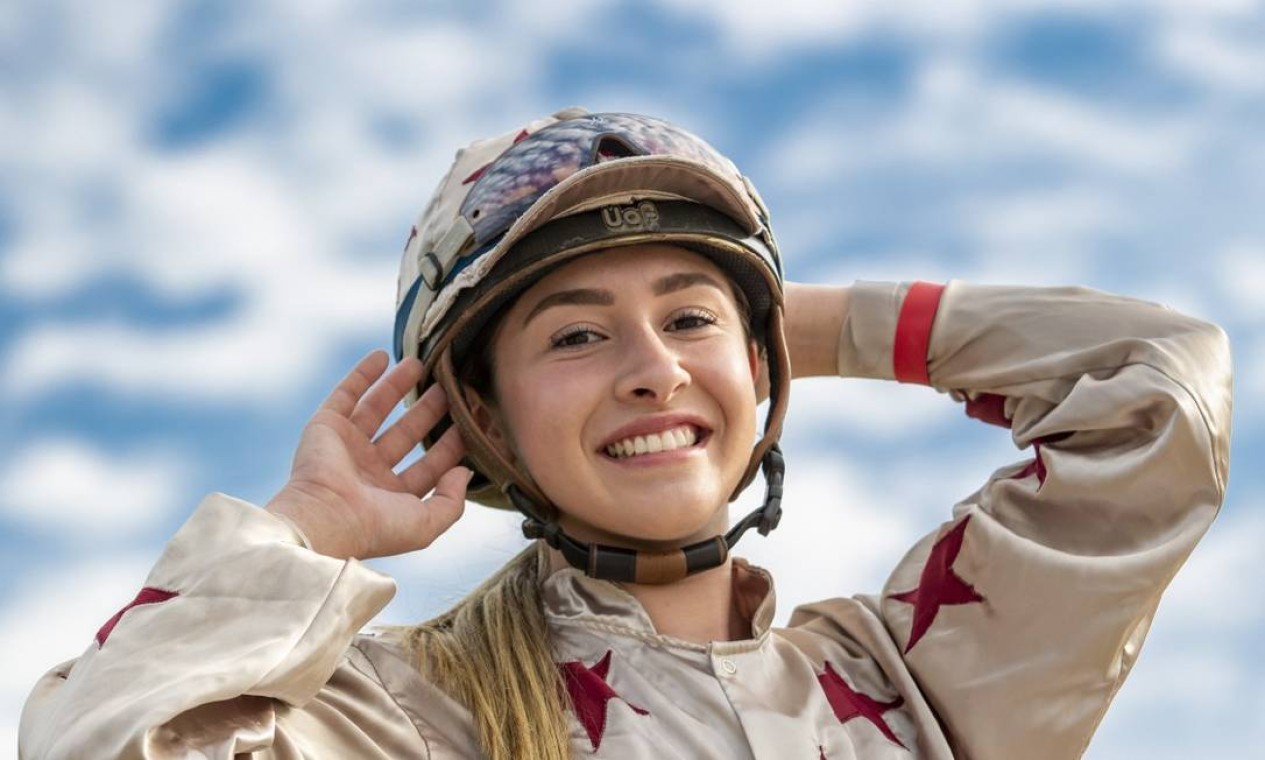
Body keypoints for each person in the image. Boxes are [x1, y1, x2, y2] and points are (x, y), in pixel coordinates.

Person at [19, 109, 1232, 760]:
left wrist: (786, 329)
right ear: (483, 415)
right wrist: (304, 532)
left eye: (686, 318)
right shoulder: (403, 715)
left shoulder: (911, 679)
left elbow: (1155, 390)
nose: (652, 369)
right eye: (576, 335)